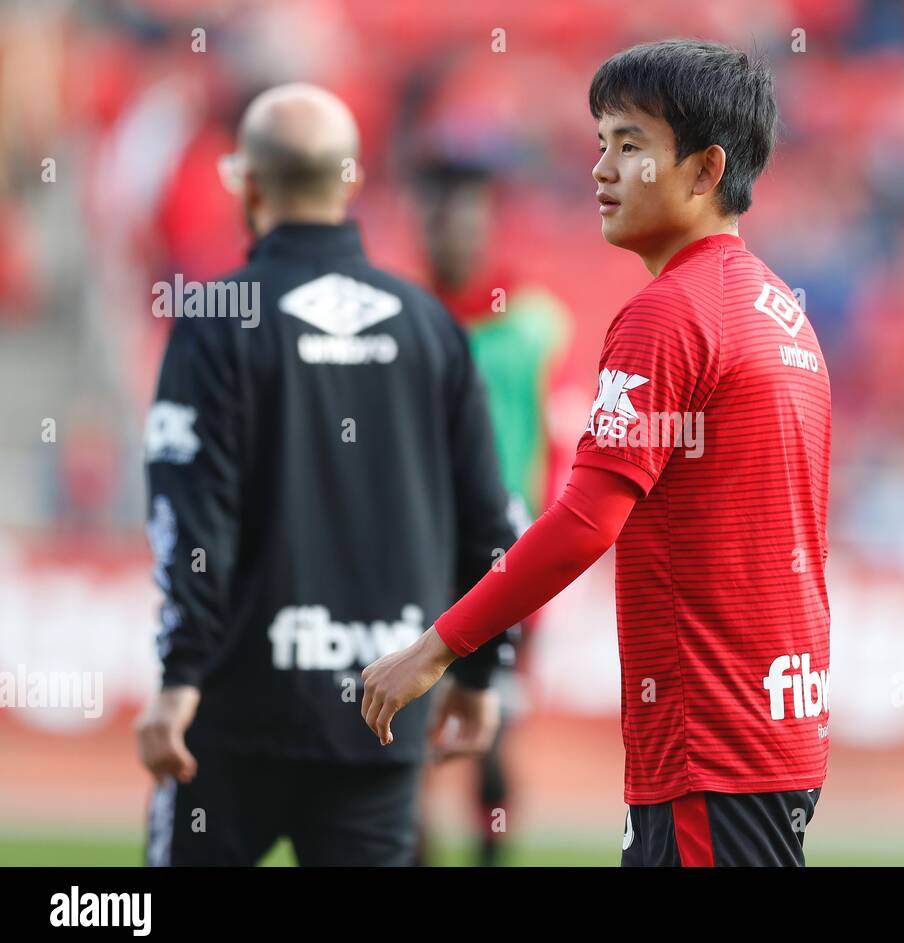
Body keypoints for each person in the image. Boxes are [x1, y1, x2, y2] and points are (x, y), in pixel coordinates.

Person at [362, 40, 832, 867]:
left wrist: (438, 647)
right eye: (599, 144)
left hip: (707, 740)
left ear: (704, 169)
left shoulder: (669, 315)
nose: (600, 170)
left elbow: (586, 518)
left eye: (629, 145)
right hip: (773, 729)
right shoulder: (778, 311)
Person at [136, 83, 516, 866]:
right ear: (351, 181)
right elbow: (490, 522)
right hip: (379, 714)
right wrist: (480, 676)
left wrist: (179, 678)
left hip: (235, 714)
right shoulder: (430, 325)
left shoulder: (217, 318)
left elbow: (189, 519)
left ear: (245, 182)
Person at [410, 152, 571, 866]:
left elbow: (565, 447)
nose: (457, 237)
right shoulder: (406, 318)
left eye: (469, 221)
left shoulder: (537, 325)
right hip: (413, 562)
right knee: (403, 742)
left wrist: (544, 553)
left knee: (492, 739)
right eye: (444, 221)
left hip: (507, 566)